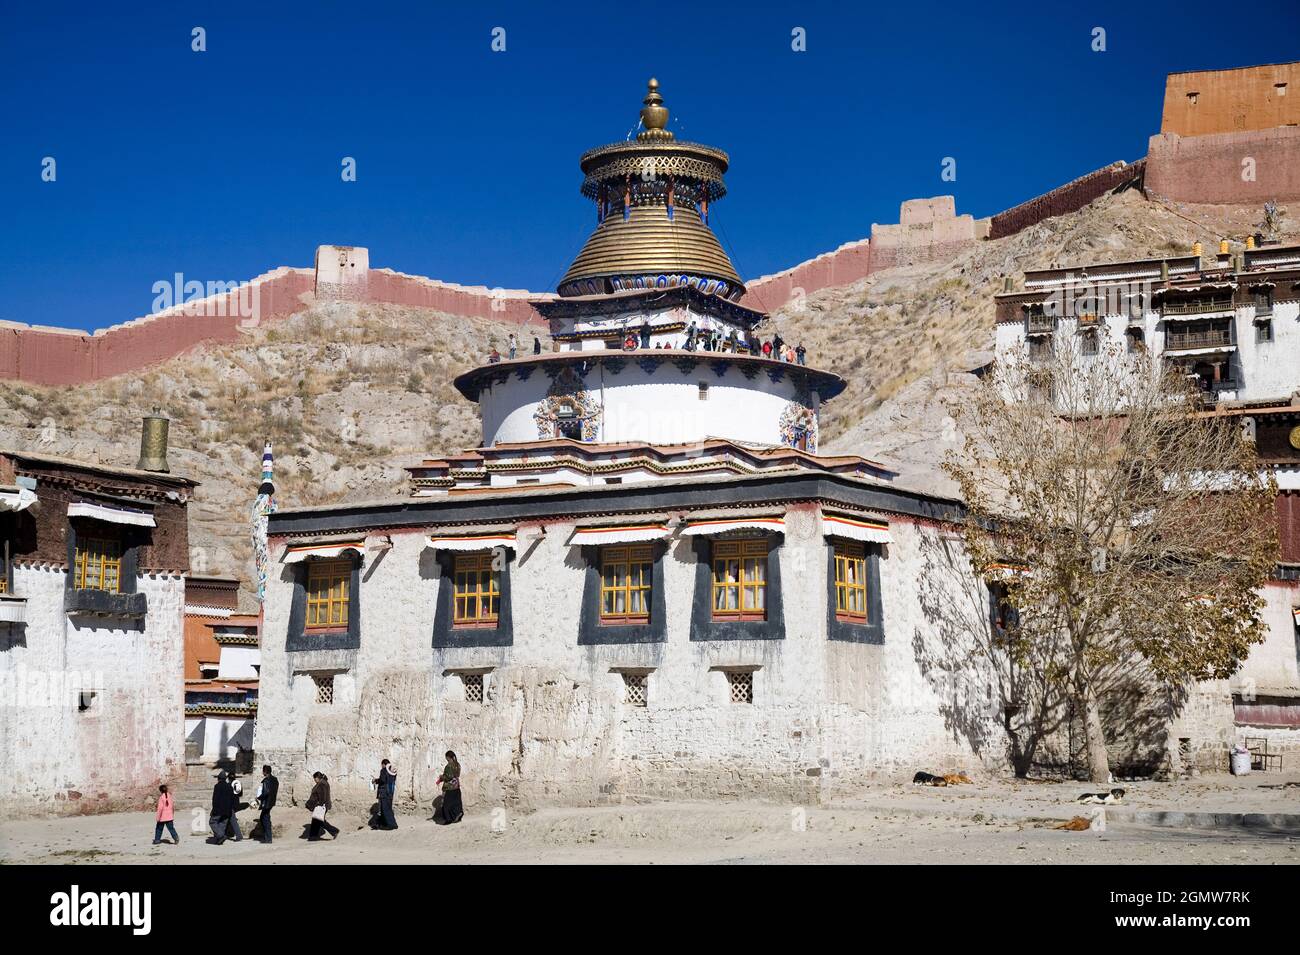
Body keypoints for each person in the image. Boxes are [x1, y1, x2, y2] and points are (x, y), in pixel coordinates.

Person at [306, 772, 339, 841]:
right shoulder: (322, 783)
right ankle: (313, 836)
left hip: (322, 805)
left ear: (317, 778)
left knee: (319, 820)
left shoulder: (322, 784)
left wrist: (319, 803)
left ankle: (334, 831)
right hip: (320, 805)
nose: (314, 780)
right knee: (316, 819)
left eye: (314, 779)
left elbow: (323, 796)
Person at [433, 751, 463, 825]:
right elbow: (457, 774)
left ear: (448, 757)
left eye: (447, 758)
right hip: (456, 786)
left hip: (449, 788)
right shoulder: (457, 765)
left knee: (446, 804)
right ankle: (457, 814)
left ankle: (448, 819)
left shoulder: (449, 766)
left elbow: (448, 776)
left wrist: (442, 777)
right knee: (456, 803)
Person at [209, 771, 235, 844]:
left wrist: (213, 809)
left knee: (212, 822)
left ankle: (221, 836)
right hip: (227, 810)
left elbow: (215, 799)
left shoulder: (217, 786)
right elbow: (232, 798)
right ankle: (219, 840)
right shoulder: (229, 786)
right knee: (222, 824)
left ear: (219, 778)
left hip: (218, 810)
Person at [255, 764, 278, 844]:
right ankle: (267, 836)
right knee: (264, 817)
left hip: (266, 803)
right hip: (272, 802)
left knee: (265, 819)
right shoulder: (275, 780)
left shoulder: (266, 781)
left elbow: (266, 792)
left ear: (265, 772)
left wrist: (259, 797)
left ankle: (268, 838)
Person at [374, 759, 398, 831]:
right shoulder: (392, 771)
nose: (381, 766)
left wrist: (375, 780)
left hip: (384, 793)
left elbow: (382, 780)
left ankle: (391, 825)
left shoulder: (384, 770)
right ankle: (384, 824)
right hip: (390, 793)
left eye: (382, 765)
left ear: (384, 764)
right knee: (388, 808)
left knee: (384, 809)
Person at [227, 771, 244, 842]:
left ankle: (238, 835)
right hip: (237, 804)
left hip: (230, 805)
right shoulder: (238, 785)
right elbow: (240, 794)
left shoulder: (228, 785)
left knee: (232, 820)